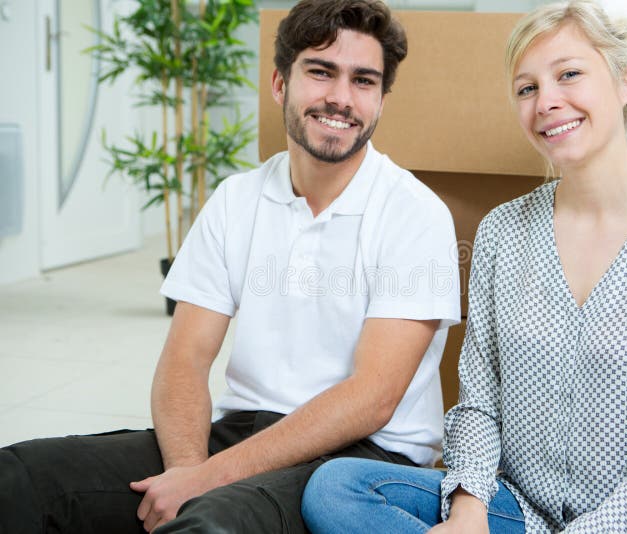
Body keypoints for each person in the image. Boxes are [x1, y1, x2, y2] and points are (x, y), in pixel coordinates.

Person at [0, 1, 461, 532]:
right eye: (320, 71)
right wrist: (189, 473)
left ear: (380, 99)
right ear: (279, 83)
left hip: (360, 462)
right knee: (21, 477)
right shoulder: (235, 199)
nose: (340, 97)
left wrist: (206, 485)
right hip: (241, 434)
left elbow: (372, 399)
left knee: (211, 525)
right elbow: (185, 360)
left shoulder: (413, 212)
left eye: (363, 80)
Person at [300, 1, 627, 533]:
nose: (547, 102)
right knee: (336, 488)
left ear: (625, 81)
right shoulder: (502, 232)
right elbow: (480, 404)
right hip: (520, 512)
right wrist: (468, 509)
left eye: (569, 75)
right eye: (527, 88)